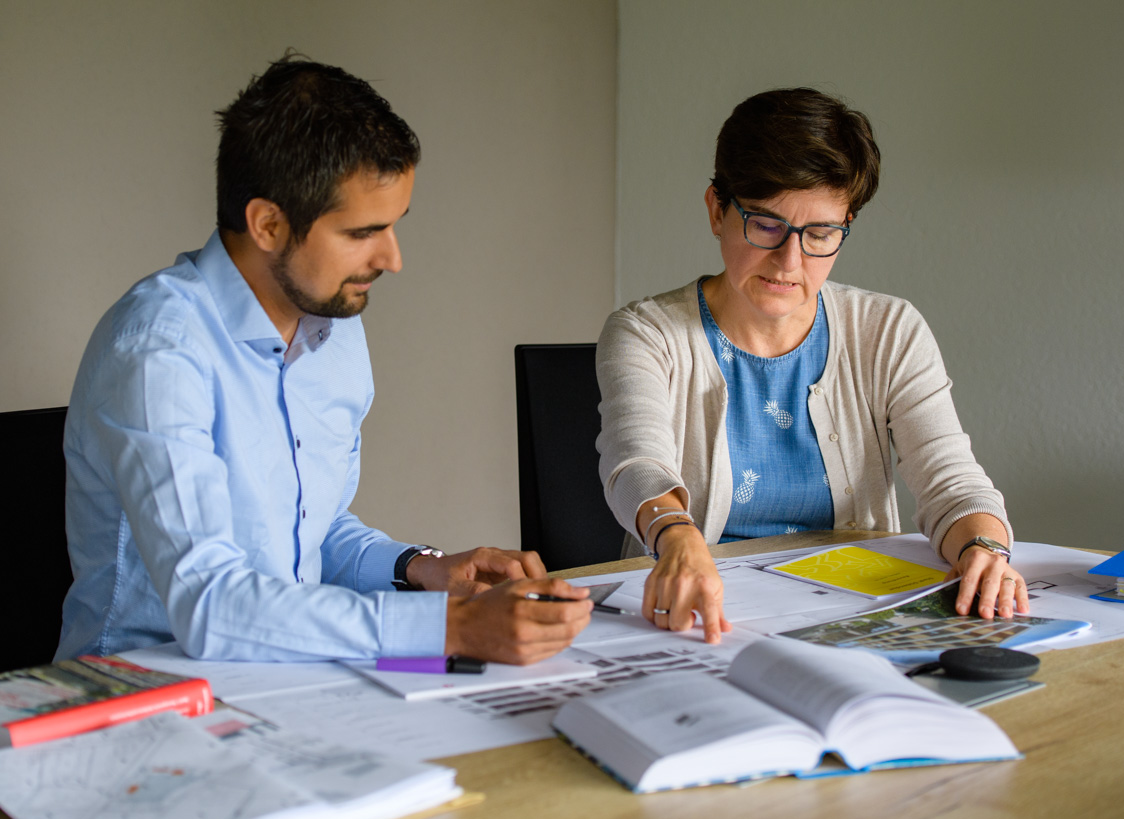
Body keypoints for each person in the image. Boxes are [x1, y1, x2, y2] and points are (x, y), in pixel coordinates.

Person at [56, 55, 591, 664]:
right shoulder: (157, 351)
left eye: (394, 226)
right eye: (362, 232)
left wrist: (426, 569)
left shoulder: (331, 330)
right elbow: (211, 604)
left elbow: (308, 535)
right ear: (268, 224)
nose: (393, 259)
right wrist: (452, 627)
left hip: (287, 680)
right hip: (133, 698)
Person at [596, 87, 1028, 644]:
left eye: (820, 233)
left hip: (855, 617)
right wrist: (678, 537)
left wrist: (983, 549)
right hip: (702, 620)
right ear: (716, 209)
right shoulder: (646, 333)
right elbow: (636, 465)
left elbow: (951, 480)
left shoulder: (889, 330)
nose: (790, 261)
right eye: (767, 226)